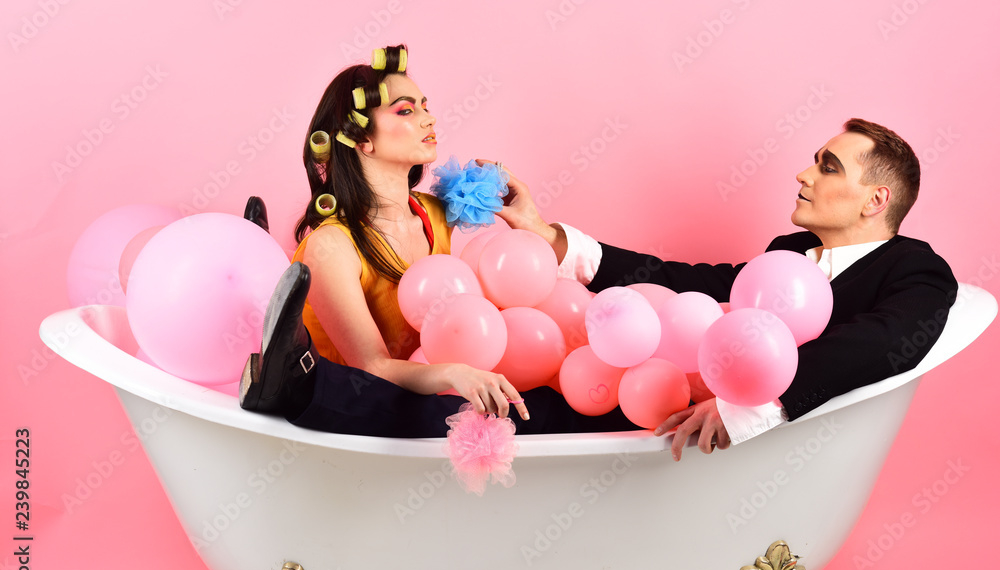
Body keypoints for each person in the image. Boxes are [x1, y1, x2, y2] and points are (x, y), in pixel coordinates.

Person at [498, 118, 957, 459]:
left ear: (876, 200)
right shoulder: (790, 252)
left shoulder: (917, 270)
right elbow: (692, 281)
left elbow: (878, 345)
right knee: (502, 412)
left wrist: (746, 405)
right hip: (651, 404)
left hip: (755, 455)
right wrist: (551, 238)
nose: (804, 175)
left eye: (829, 168)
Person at [238, 45, 636, 438]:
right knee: (524, 414)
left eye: (425, 105)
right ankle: (289, 369)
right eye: (406, 110)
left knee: (547, 399)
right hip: (371, 396)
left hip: (432, 379)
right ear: (362, 141)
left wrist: (515, 212)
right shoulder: (332, 247)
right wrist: (455, 372)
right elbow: (372, 367)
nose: (429, 118)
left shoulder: (435, 212)